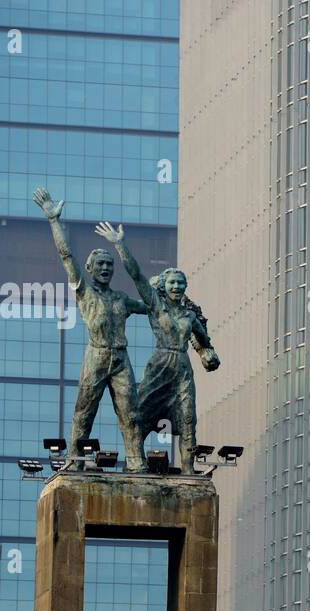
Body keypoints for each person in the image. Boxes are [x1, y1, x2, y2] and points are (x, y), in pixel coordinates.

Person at [32, 187, 148, 470]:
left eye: (109, 264)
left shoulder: (121, 298)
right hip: (96, 356)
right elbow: (66, 255)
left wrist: (120, 246)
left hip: (121, 358)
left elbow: (151, 304)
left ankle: (136, 462)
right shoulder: (85, 290)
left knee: (130, 414)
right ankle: (75, 462)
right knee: (84, 412)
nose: (106, 268)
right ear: (91, 268)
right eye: (101, 264)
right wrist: (53, 221)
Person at [95, 222, 220, 473]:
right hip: (160, 364)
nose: (177, 287)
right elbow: (136, 274)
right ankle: (135, 463)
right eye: (172, 283)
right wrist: (119, 245)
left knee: (187, 419)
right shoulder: (155, 306)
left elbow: (204, 343)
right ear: (163, 286)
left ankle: (187, 470)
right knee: (141, 415)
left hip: (182, 368)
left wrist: (209, 354)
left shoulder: (189, 316)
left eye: (180, 283)